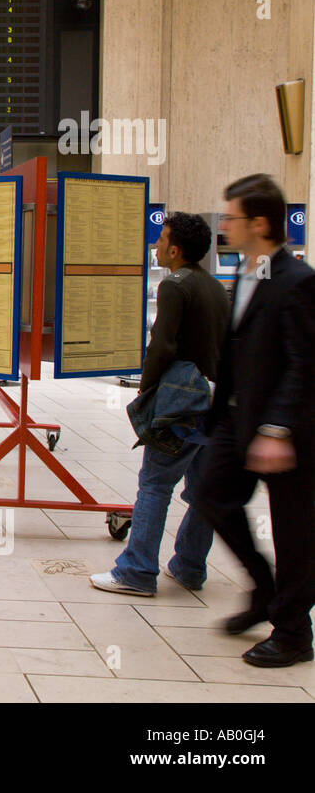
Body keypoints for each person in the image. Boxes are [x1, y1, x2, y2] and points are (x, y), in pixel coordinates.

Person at [196, 174, 315, 667]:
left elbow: (304, 363)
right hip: (236, 419)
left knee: (294, 532)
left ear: (260, 223)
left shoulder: (298, 282)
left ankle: (292, 632)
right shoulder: (245, 274)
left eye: (232, 217)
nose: (224, 225)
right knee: (207, 493)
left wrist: (277, 428)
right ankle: (264, 588)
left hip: (284, 430)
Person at [90, 212, 228, 597]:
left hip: (180, 406)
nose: (155, 245)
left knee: (154, 484)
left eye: (161, 239)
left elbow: (162, 345)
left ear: (175, 249)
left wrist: (146, 389)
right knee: (202, 492)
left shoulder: (174, 286)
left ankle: (136, 572)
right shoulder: (215, 288)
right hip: (213, 403)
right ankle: (189, 567)